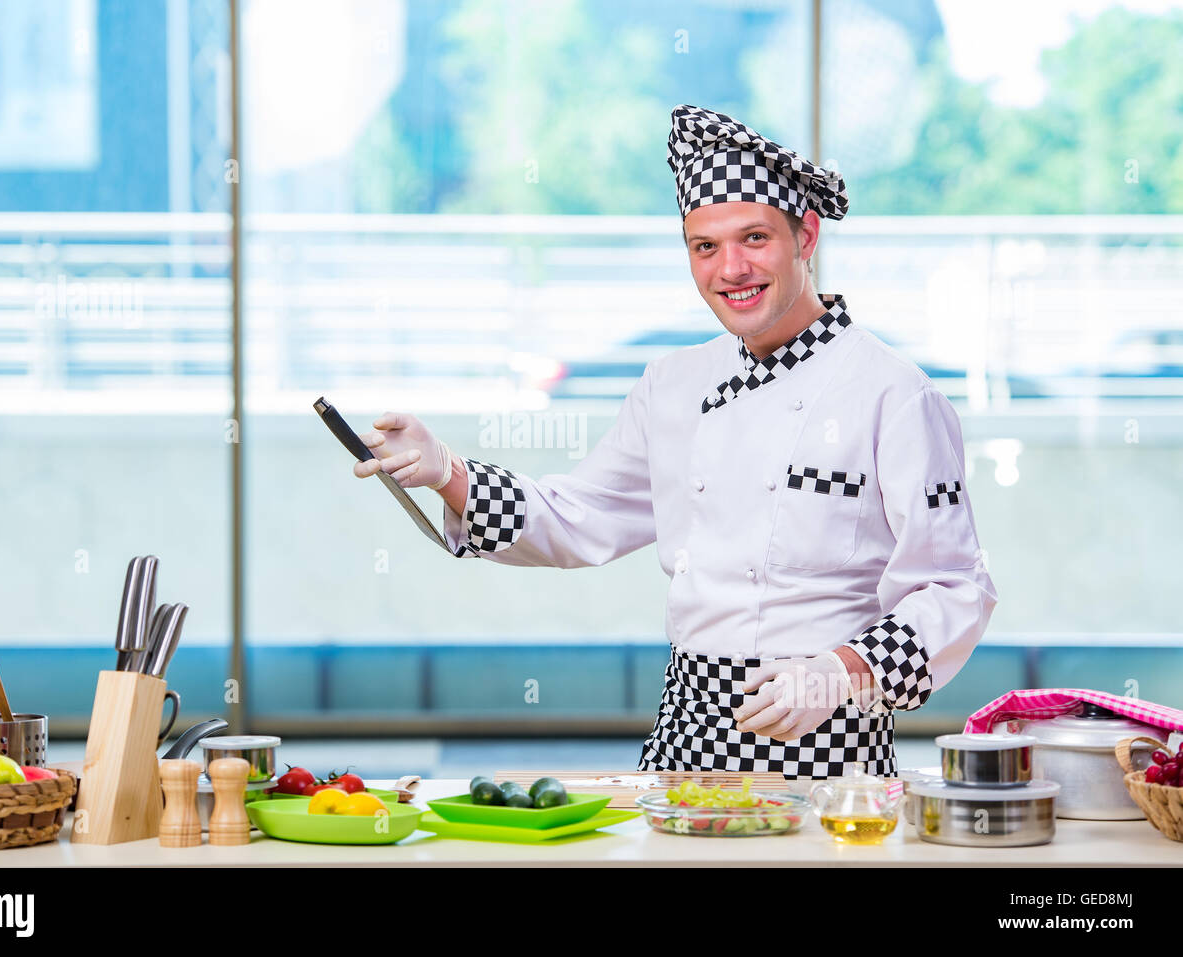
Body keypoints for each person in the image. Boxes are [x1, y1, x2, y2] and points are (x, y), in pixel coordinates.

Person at [351, 104, 999, 778]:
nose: (731, 268)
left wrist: (841, 671)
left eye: (754, 238)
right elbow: (578, 518)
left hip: (828, 737)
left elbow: (956, 585)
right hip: (686, 732)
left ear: (805, 235)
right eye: (705, 246)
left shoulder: (894, 393)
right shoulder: (673, 384)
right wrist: (448, 470)